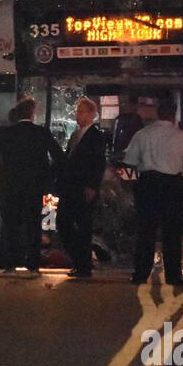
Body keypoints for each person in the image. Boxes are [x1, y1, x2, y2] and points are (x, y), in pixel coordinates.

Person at [122, 98, 183, 286]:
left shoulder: (143, 135)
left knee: (145, 233)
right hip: (173, 186)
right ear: (173, 116)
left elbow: (128, 163)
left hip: (148, 184)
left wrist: (131, 186)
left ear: (158, 114)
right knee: (172, 234)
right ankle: (173, 276)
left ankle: (141, 274)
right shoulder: (182, 137)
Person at [0, 96, 63, 277]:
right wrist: (48, 174)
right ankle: (32, 265)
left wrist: (1, 174)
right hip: (36, 186)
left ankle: (9, 264)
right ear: (32, 113)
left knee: (10, 225)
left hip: (11, 186)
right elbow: (59, 157)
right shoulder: (41, 132)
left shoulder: (6, 133)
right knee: (33, 225)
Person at [56, 97, 106, 279]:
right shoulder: (76, 135)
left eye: (82, 112)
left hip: (83, 187)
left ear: (92, 114)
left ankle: (83, 264)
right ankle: (79, 260)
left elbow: (98, 162)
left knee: (83, 226)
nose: (78, 115)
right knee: (64, 222)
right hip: (71, 186)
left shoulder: (95, 136)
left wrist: (92, 185)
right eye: (77, 112)